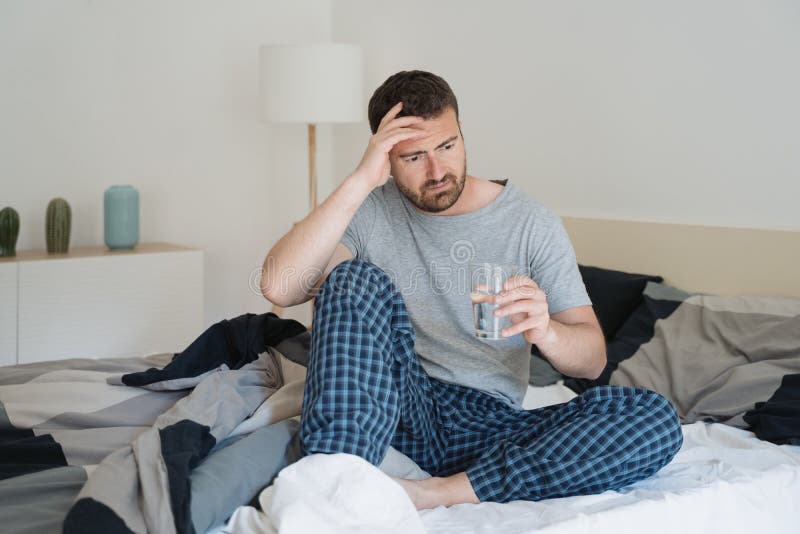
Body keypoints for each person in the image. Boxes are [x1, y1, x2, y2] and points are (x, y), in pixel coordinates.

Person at [260, 70, 683, 509]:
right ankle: (338, 475)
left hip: (489, 421)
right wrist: (359, 181)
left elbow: (594, 363)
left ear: (462, 132)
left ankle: (435, 492)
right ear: (386, 158)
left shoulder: (530, 223)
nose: (437, 170)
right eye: (413, 157)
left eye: (447, 146)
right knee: (353, 279)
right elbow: (279, 287)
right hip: (402, 401)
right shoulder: (369, 209)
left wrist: (547, 332)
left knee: (654, 419)